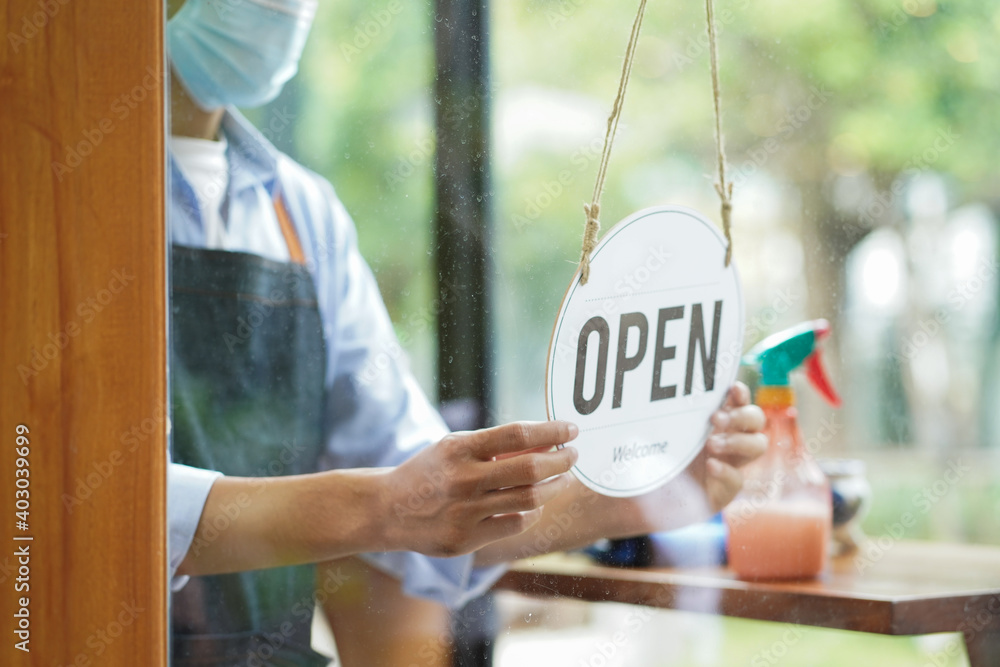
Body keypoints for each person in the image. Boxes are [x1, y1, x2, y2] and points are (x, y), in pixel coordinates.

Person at [163, 0, 767, 664]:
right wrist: (386, 504)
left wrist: (647, 481)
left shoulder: (303, 218)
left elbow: (429, 500)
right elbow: (82, 509)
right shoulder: (61, 203)